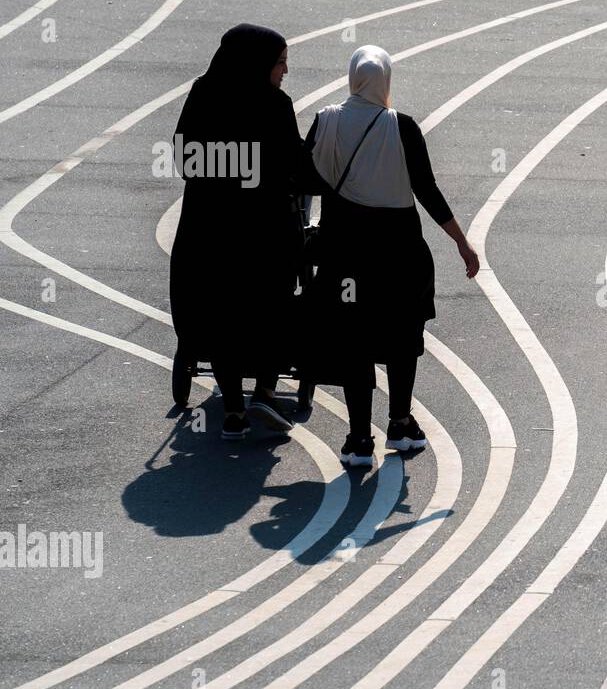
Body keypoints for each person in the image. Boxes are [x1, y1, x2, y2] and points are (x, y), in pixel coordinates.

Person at [306, 44, 478, 467]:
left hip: (344, 254)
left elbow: (303, 177)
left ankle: (358, 439)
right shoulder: (400, 127)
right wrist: (461, 240)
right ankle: (400, 423)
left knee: (353, 343)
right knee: (403, 338)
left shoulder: (325, 122)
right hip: (399, 253)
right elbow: (426, 190)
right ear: (385, 81)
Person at [169, 23, 330, 441]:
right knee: (275, 305)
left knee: (220, 313)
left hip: (210, 230)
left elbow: (188, 158)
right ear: (260, 63)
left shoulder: (203, 95)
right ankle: (264, 390)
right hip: (266, 231)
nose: (285, 71)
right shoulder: (274, 105)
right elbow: (293, 168)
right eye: (280, 62)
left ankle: (235, 411)